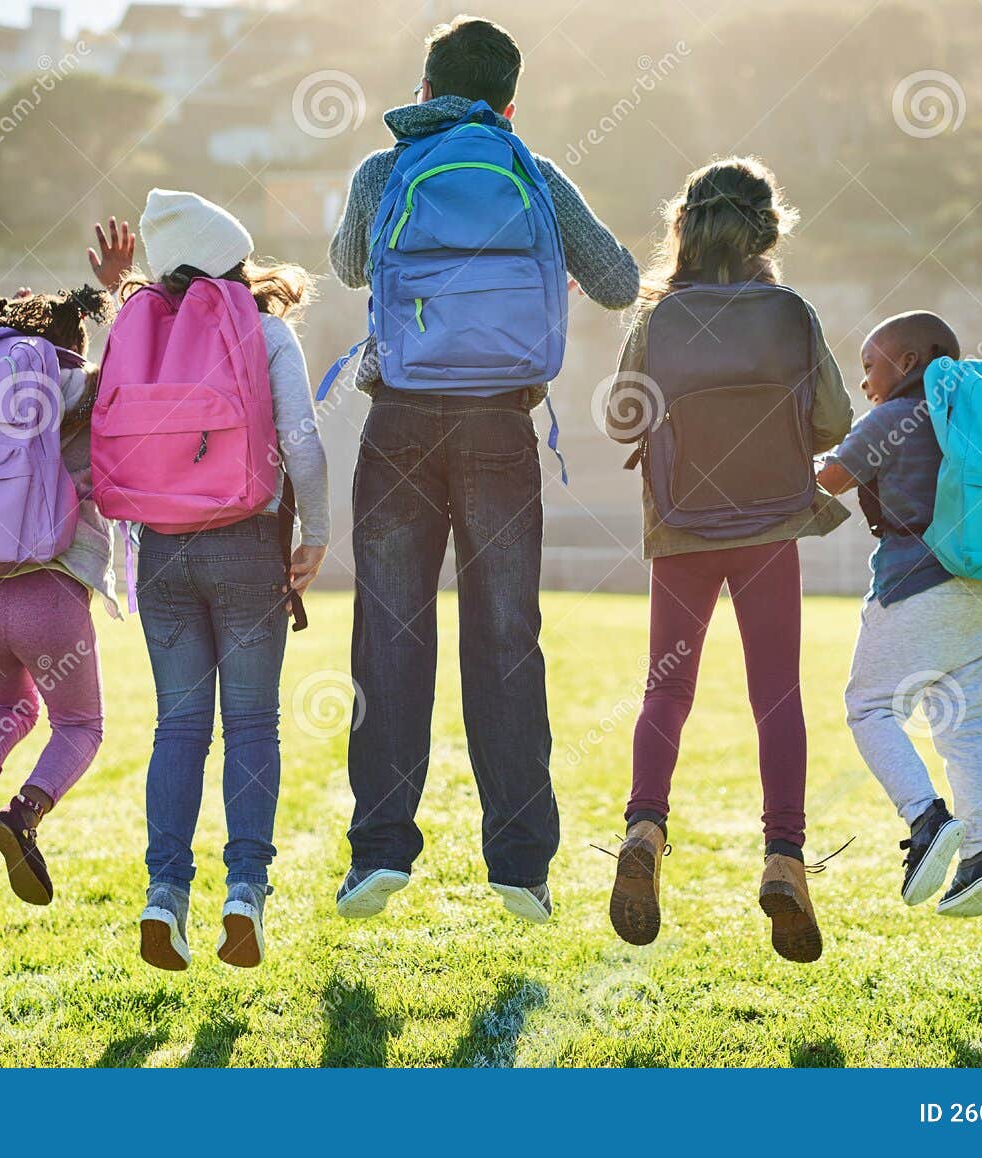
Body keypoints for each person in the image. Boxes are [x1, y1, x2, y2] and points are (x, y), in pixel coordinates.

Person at [326, 15, 639, 924]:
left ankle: (380, 853)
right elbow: (618, 282)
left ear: (423, 90)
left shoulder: (384, 171)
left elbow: (349, 268)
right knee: (506, 639)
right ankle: (519, 866)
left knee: (388, 638)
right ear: (510, 101)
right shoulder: (535, 172)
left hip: (400, 425)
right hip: (501, 428)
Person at [601, 157, 853, 962]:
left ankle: (645, 826)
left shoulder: (660, 319)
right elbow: (831, 422)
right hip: (771, 527)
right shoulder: (791, 314)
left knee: (666, 689)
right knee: (776, 696)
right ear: (767, 229)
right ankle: (784, 855)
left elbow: (621, 420)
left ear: (684, 227)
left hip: (681, 527)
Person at [89, 196, 330, 969]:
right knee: (254, 726)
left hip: (160, 554)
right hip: (246, 545)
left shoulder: (140, 326)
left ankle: (165, 896)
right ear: (237, 251)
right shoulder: (263, 329)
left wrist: (115, 290)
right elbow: (305, 446)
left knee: (178, 731)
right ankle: (244, 892)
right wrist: (317, 534)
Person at [816, 311, 982, 918]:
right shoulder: (966, 420)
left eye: (870, 366)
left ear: (907, 363)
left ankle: (926, 817)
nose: (865, 382)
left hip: (914, 586)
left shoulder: (896, 416)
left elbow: (831, 479)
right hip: (979, 594)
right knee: (964, 726)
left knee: (869, 708)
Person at [0, 285, 117, 906]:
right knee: (80, 724)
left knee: (10, 705)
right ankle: (22, 816)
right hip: (49, 591)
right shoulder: (72, 382)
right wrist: (111, 294)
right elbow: (130, 363)